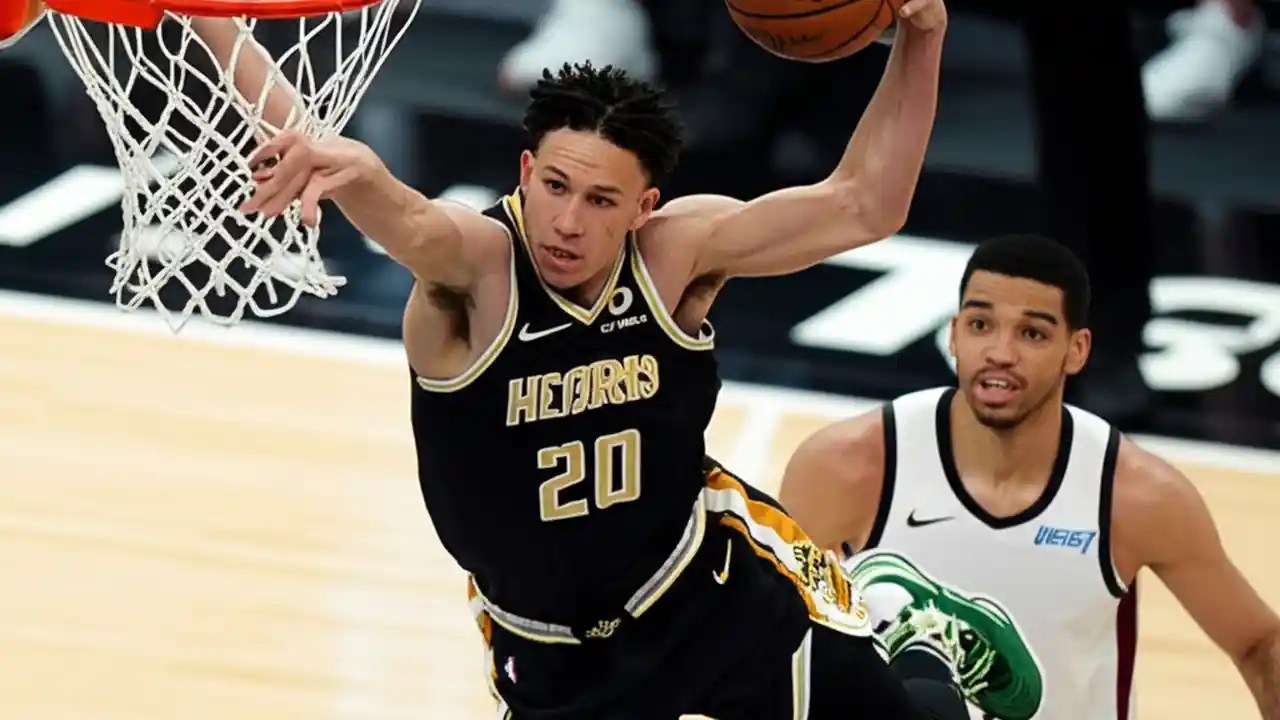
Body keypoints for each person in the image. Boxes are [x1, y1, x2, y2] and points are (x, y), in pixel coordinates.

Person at [190, 0, 1045, 717]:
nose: (568, 221)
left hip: (708, 592)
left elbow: (865, 205)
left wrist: (924, 38)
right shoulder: (477, 272)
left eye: (601, 201)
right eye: (555, 187)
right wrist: (219, 25)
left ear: (644, 207)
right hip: (555, 656)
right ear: (526, 172)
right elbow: (388, 203)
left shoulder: (677, 256)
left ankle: (901, 623)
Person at [777, 234, 1280, 719]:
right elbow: (770, 645)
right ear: (953, 334)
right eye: (980, 325)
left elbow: (1260, 644)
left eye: (1032, 333)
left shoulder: (1135, 496)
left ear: (1077, 350)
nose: (1000, 352)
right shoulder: (847, 467)